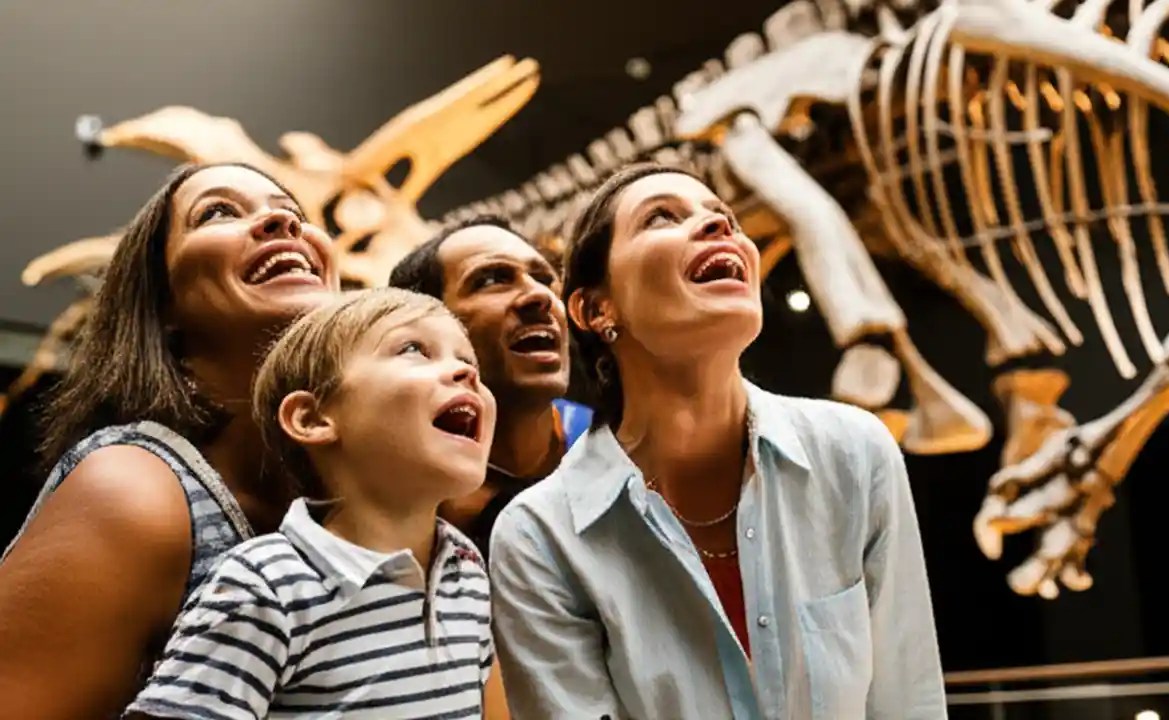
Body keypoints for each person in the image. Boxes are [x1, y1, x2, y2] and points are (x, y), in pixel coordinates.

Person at [487, 162, 947, 719]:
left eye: (723, 217)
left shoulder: (854, 452)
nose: (719, 227)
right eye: (662, 217)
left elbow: (909, 699)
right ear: (594, 309)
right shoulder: (540, 537)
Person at [0, 162, 339, 718]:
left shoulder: (366, 498)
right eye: (219, 211)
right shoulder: (131, 491)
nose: (280, 220)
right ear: (164, 307)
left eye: (294, 212)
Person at [126, 287, 506, 719]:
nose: (465, 372)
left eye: (468, 360)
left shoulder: (467, 569)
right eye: (414, 348)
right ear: (312, 418)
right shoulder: (266, 584)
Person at [389, 215, 591, 558]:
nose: (539, 296)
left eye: (545, 279)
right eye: (493, 279)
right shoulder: (393, 504)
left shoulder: (619, 449)